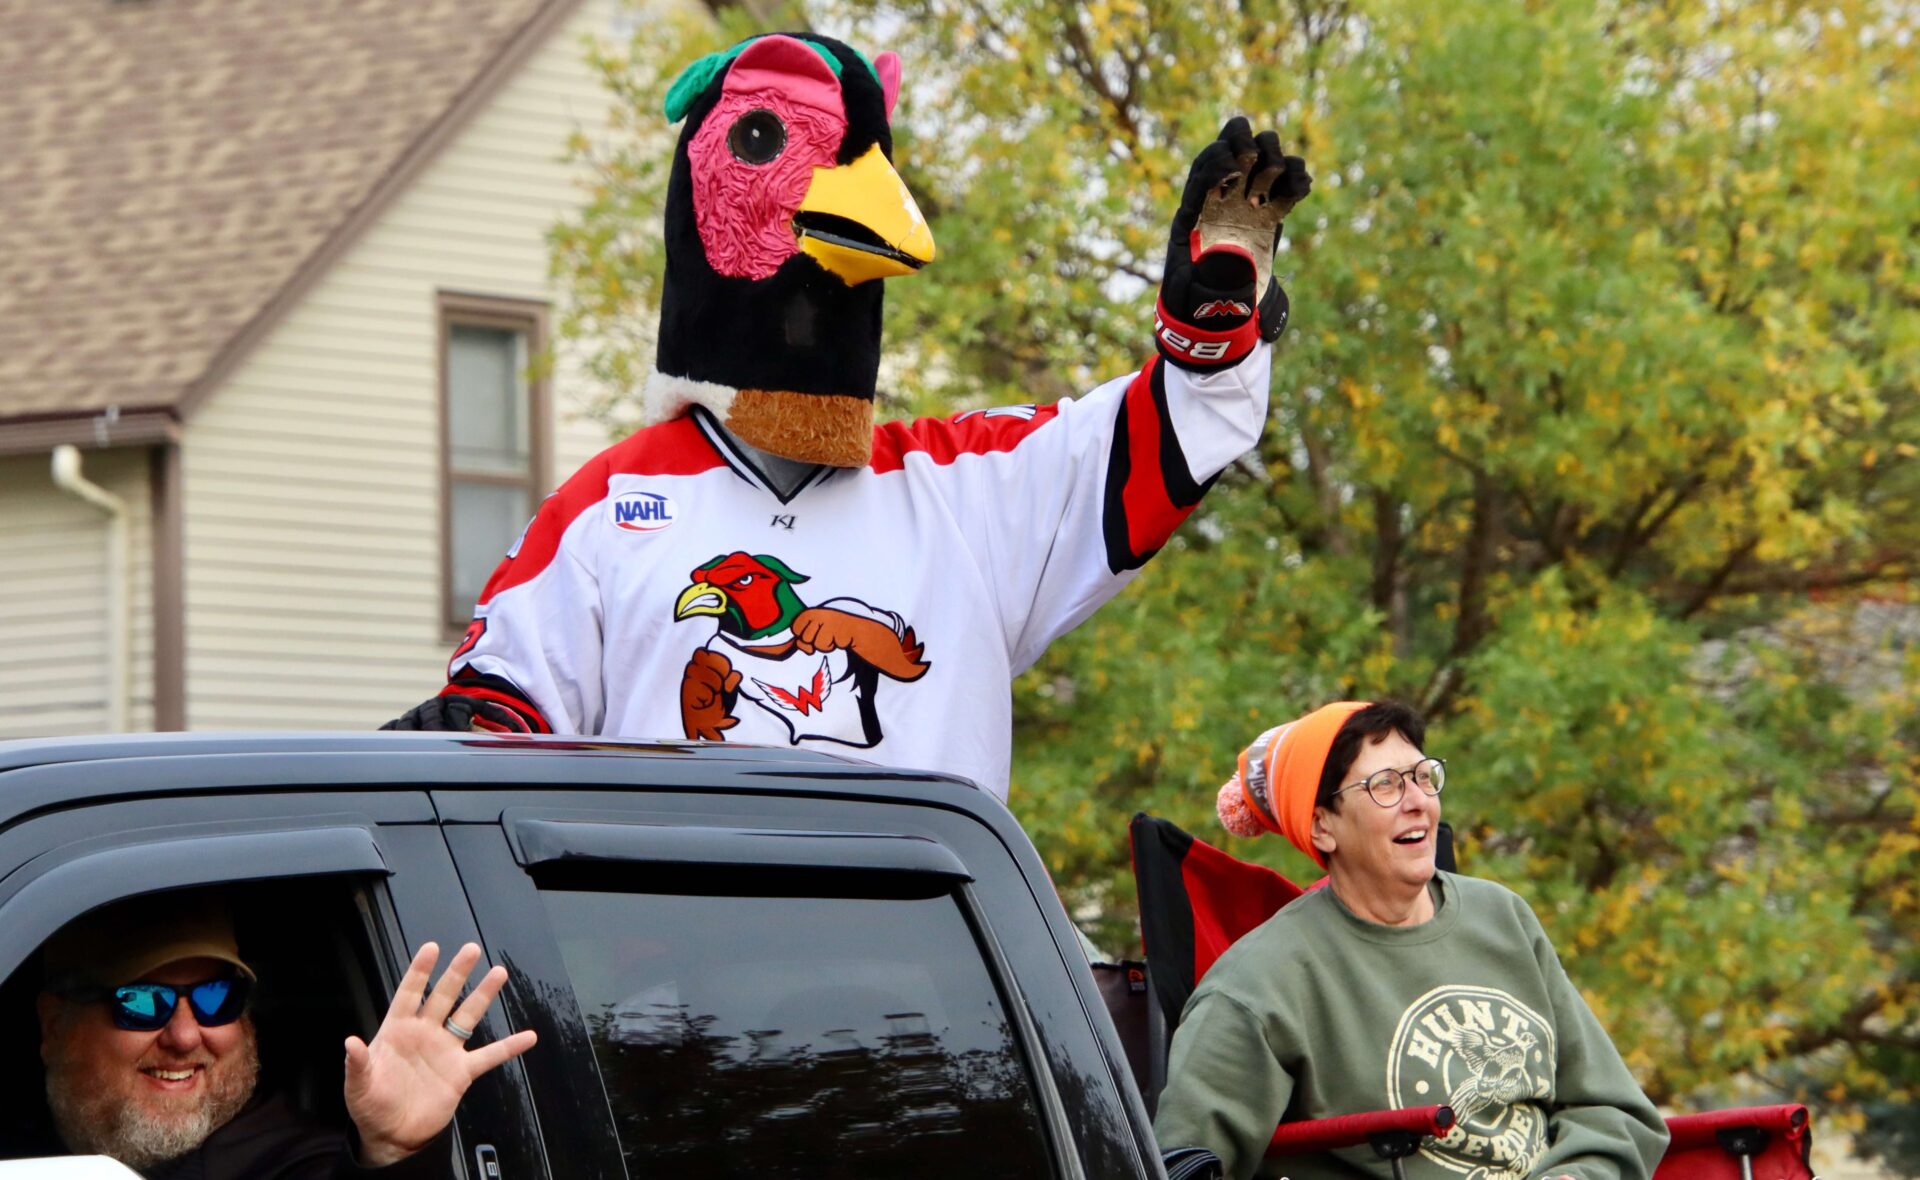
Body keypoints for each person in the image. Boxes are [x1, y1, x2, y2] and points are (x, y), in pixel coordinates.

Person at [383, 32, 1313, 805]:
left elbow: (1174, 432)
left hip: (931, 999)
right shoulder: (606, 507)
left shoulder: (961, 488)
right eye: (768, 141)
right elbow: (491, 741)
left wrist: (1212, 315)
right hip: (675, 1001)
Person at [1153, 700, 1669, 1180]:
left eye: (1425, 777)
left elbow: (1614, 1111)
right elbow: (1185, 1161)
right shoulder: (1260, 984)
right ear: (1321, 826)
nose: (1419, 802)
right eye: (1386, 785)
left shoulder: (1501, 917)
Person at [30, 893, 534, 1178]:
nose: (185, 1036)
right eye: (142, 1002)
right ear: (54, 1024)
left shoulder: (286, 1162)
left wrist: (394, 1154)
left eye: (215, 1000)